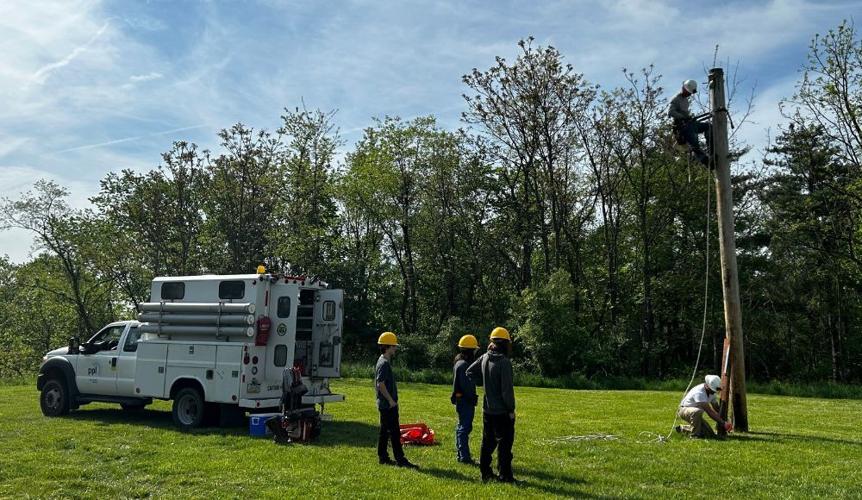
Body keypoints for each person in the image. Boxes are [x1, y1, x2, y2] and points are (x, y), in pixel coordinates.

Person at [466, 327, 517, 483]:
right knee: (505, 445)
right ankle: (505, 476)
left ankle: (486, 473)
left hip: (488, 410)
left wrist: (484, 384)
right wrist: (511, 410)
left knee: (487, 443)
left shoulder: (484, 357)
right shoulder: (504, 363)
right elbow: (507, 390)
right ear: (505, 343)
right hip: (502, 411)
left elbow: (469, 372)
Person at [375, 331, 418, 469]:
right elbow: (380, 384)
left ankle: (383, 457)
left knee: (384, 431)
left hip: (384, 404)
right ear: (387, 346)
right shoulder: (384, 364)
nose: (395, 348)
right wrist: (391, 401)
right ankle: (400, 459)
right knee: (394, 433)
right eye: (393, 346)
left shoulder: (382, 360)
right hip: (388, 405)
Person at [668, 79, 712, 168]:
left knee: (708, 126)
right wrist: (683, 117)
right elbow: (671, 112)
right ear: (683, 88)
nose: (689, 95)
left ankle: (712, 151)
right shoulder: (676, 99)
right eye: (688, 93)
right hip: (682, 127)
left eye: (689, 94)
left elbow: (685, 114)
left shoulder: (685, 101)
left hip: (689, 124)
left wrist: (688, 118)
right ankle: (706, 162)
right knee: (695, 143)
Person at [451, 334, 480, 464]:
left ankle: (461, 455)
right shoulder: (464, 365)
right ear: (470, 350)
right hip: (465, 401)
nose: (476, 351)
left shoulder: (459, 362)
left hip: (461, 400)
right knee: (464, 428)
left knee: (461, 427)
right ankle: (464, 457)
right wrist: (473, 398)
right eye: (474, 349)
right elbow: (466, 386)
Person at [676, 374, 732, 439]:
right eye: (713, 391)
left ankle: (682, 428)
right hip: (684, 410)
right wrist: (723, 423)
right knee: (697, 411)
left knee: (710, 434)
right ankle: (695, 436)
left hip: (696, 414)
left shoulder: (711, 391)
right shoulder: (699, 393)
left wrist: (725, 420)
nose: (714, 392)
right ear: (707, 386)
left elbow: (716, 407)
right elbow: (709, 412)